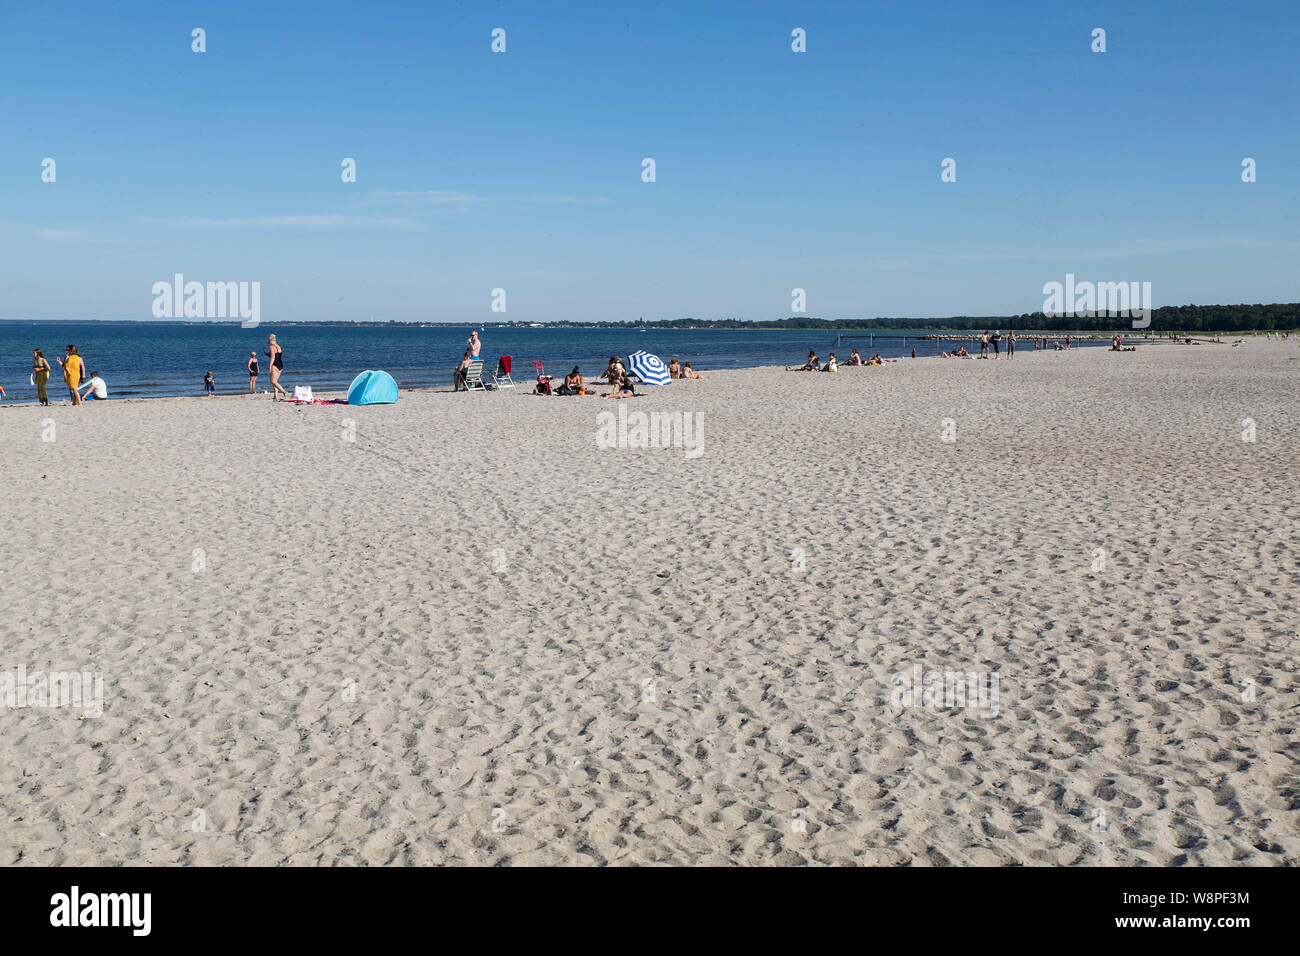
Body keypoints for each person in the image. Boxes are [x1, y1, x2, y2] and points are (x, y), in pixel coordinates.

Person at [266, 334, 288, 401]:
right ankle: (275, 396)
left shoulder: (271, 347)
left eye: (268, 340)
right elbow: (278, 356)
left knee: (273, 381)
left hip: (275, 365)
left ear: (270, 340)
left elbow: (273, 357)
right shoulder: (278, 346)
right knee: (275, 381)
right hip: (280, 365)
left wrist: (269, 366)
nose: (267, 341)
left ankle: (284, 392)